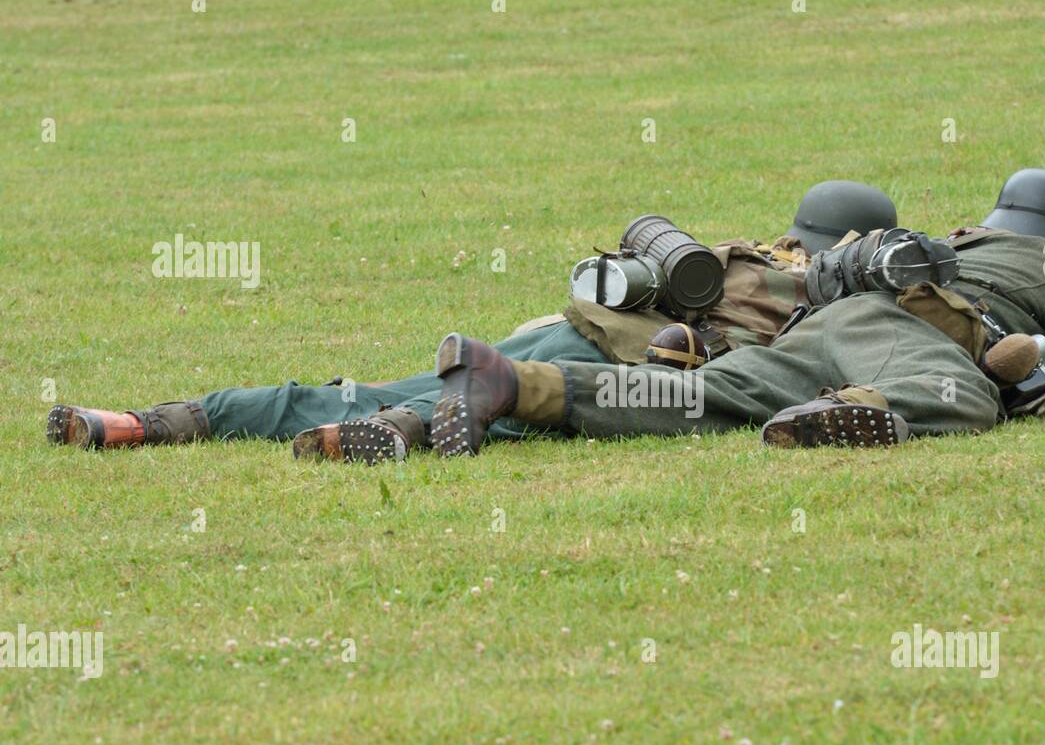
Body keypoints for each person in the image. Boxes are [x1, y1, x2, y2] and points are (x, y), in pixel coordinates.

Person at [45, 181, 898, 462]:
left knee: (388, 386)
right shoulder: (829, 299)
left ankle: (156, 421)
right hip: (597, 375)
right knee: (482, 411)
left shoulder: (737, 256)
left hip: (564, 331)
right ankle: (391, 428)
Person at [423, 170, 1045, 457]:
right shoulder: (1039, 263)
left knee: (699, 398)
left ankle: (513, 383)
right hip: (892, 341)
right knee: (962, 394)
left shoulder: (950, 245)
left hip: (819, 328)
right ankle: (854, 411)